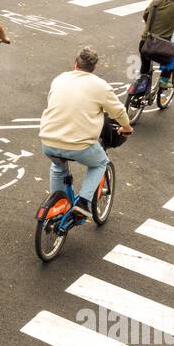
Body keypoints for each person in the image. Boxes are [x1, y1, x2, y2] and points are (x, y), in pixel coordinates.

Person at [39, 46, 133, 218]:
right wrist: (126, 127)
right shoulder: (100, 86)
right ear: (94, 68)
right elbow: (118, 111)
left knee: (58, 167)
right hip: (79, 146)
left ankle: (59, 206)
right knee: (99, 163)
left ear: (75, 63)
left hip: (48, 142)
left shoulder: (59, 78)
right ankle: (83, 202)